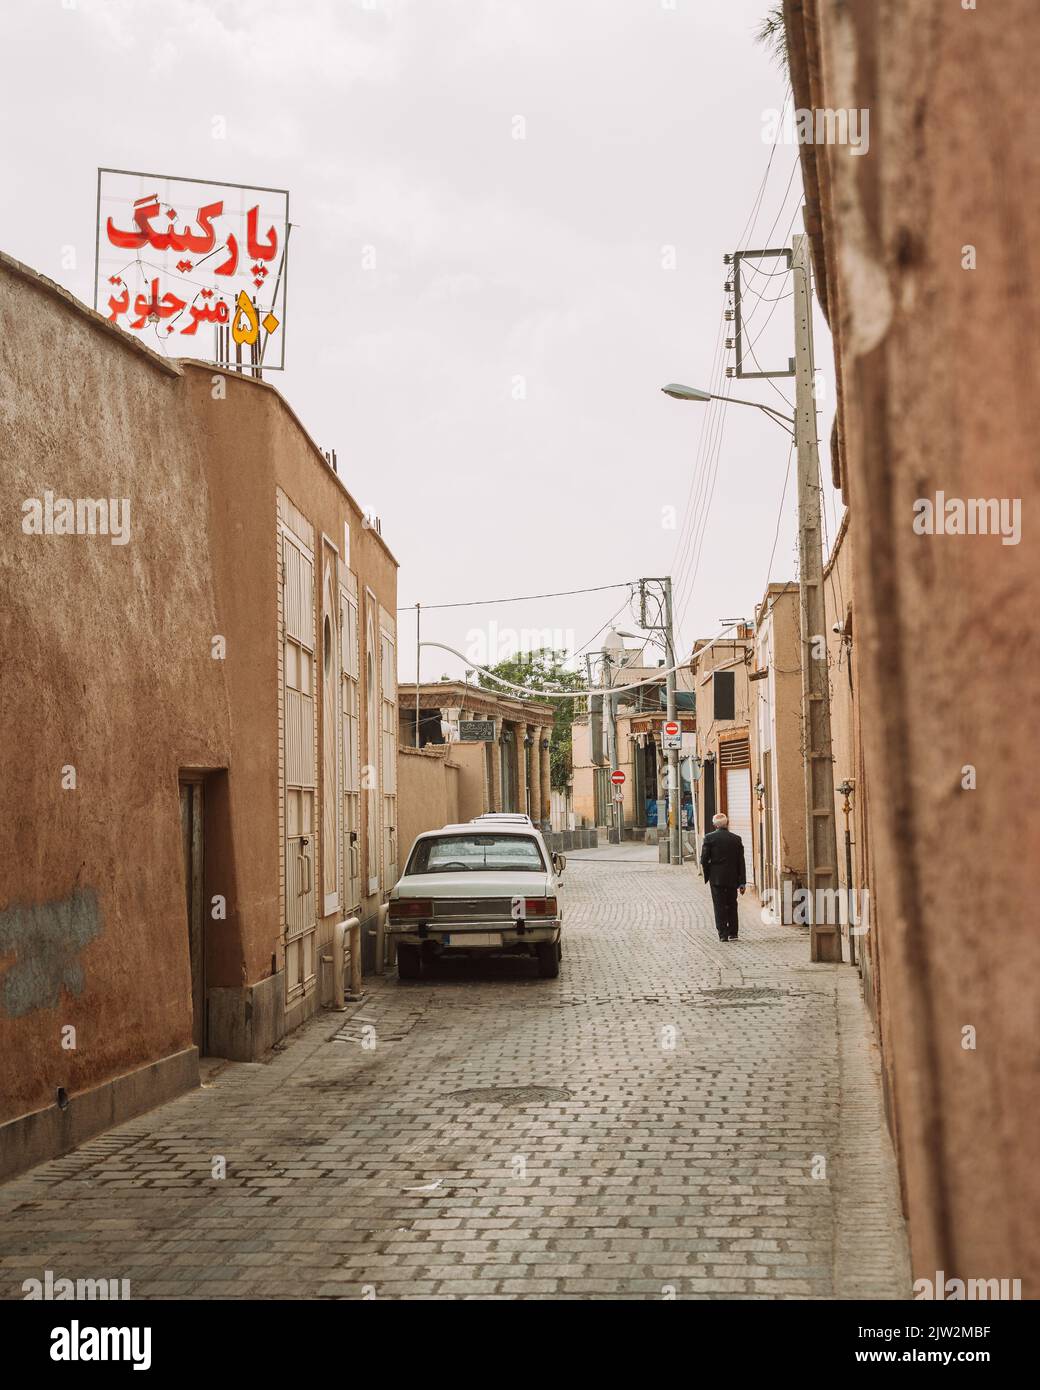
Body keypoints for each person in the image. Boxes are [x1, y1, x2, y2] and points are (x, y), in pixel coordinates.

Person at [700, 812, 746, 941]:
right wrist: (742, 882)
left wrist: (708, 873)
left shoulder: (709, 838)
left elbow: (704, 859)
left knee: (719, 905)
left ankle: (723, 934)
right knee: (732, 904)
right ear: (727, 823)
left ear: (714, 825)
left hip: (716, 878)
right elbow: (740, 862)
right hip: (732, 878)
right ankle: (733, 932)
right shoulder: (736, 839)